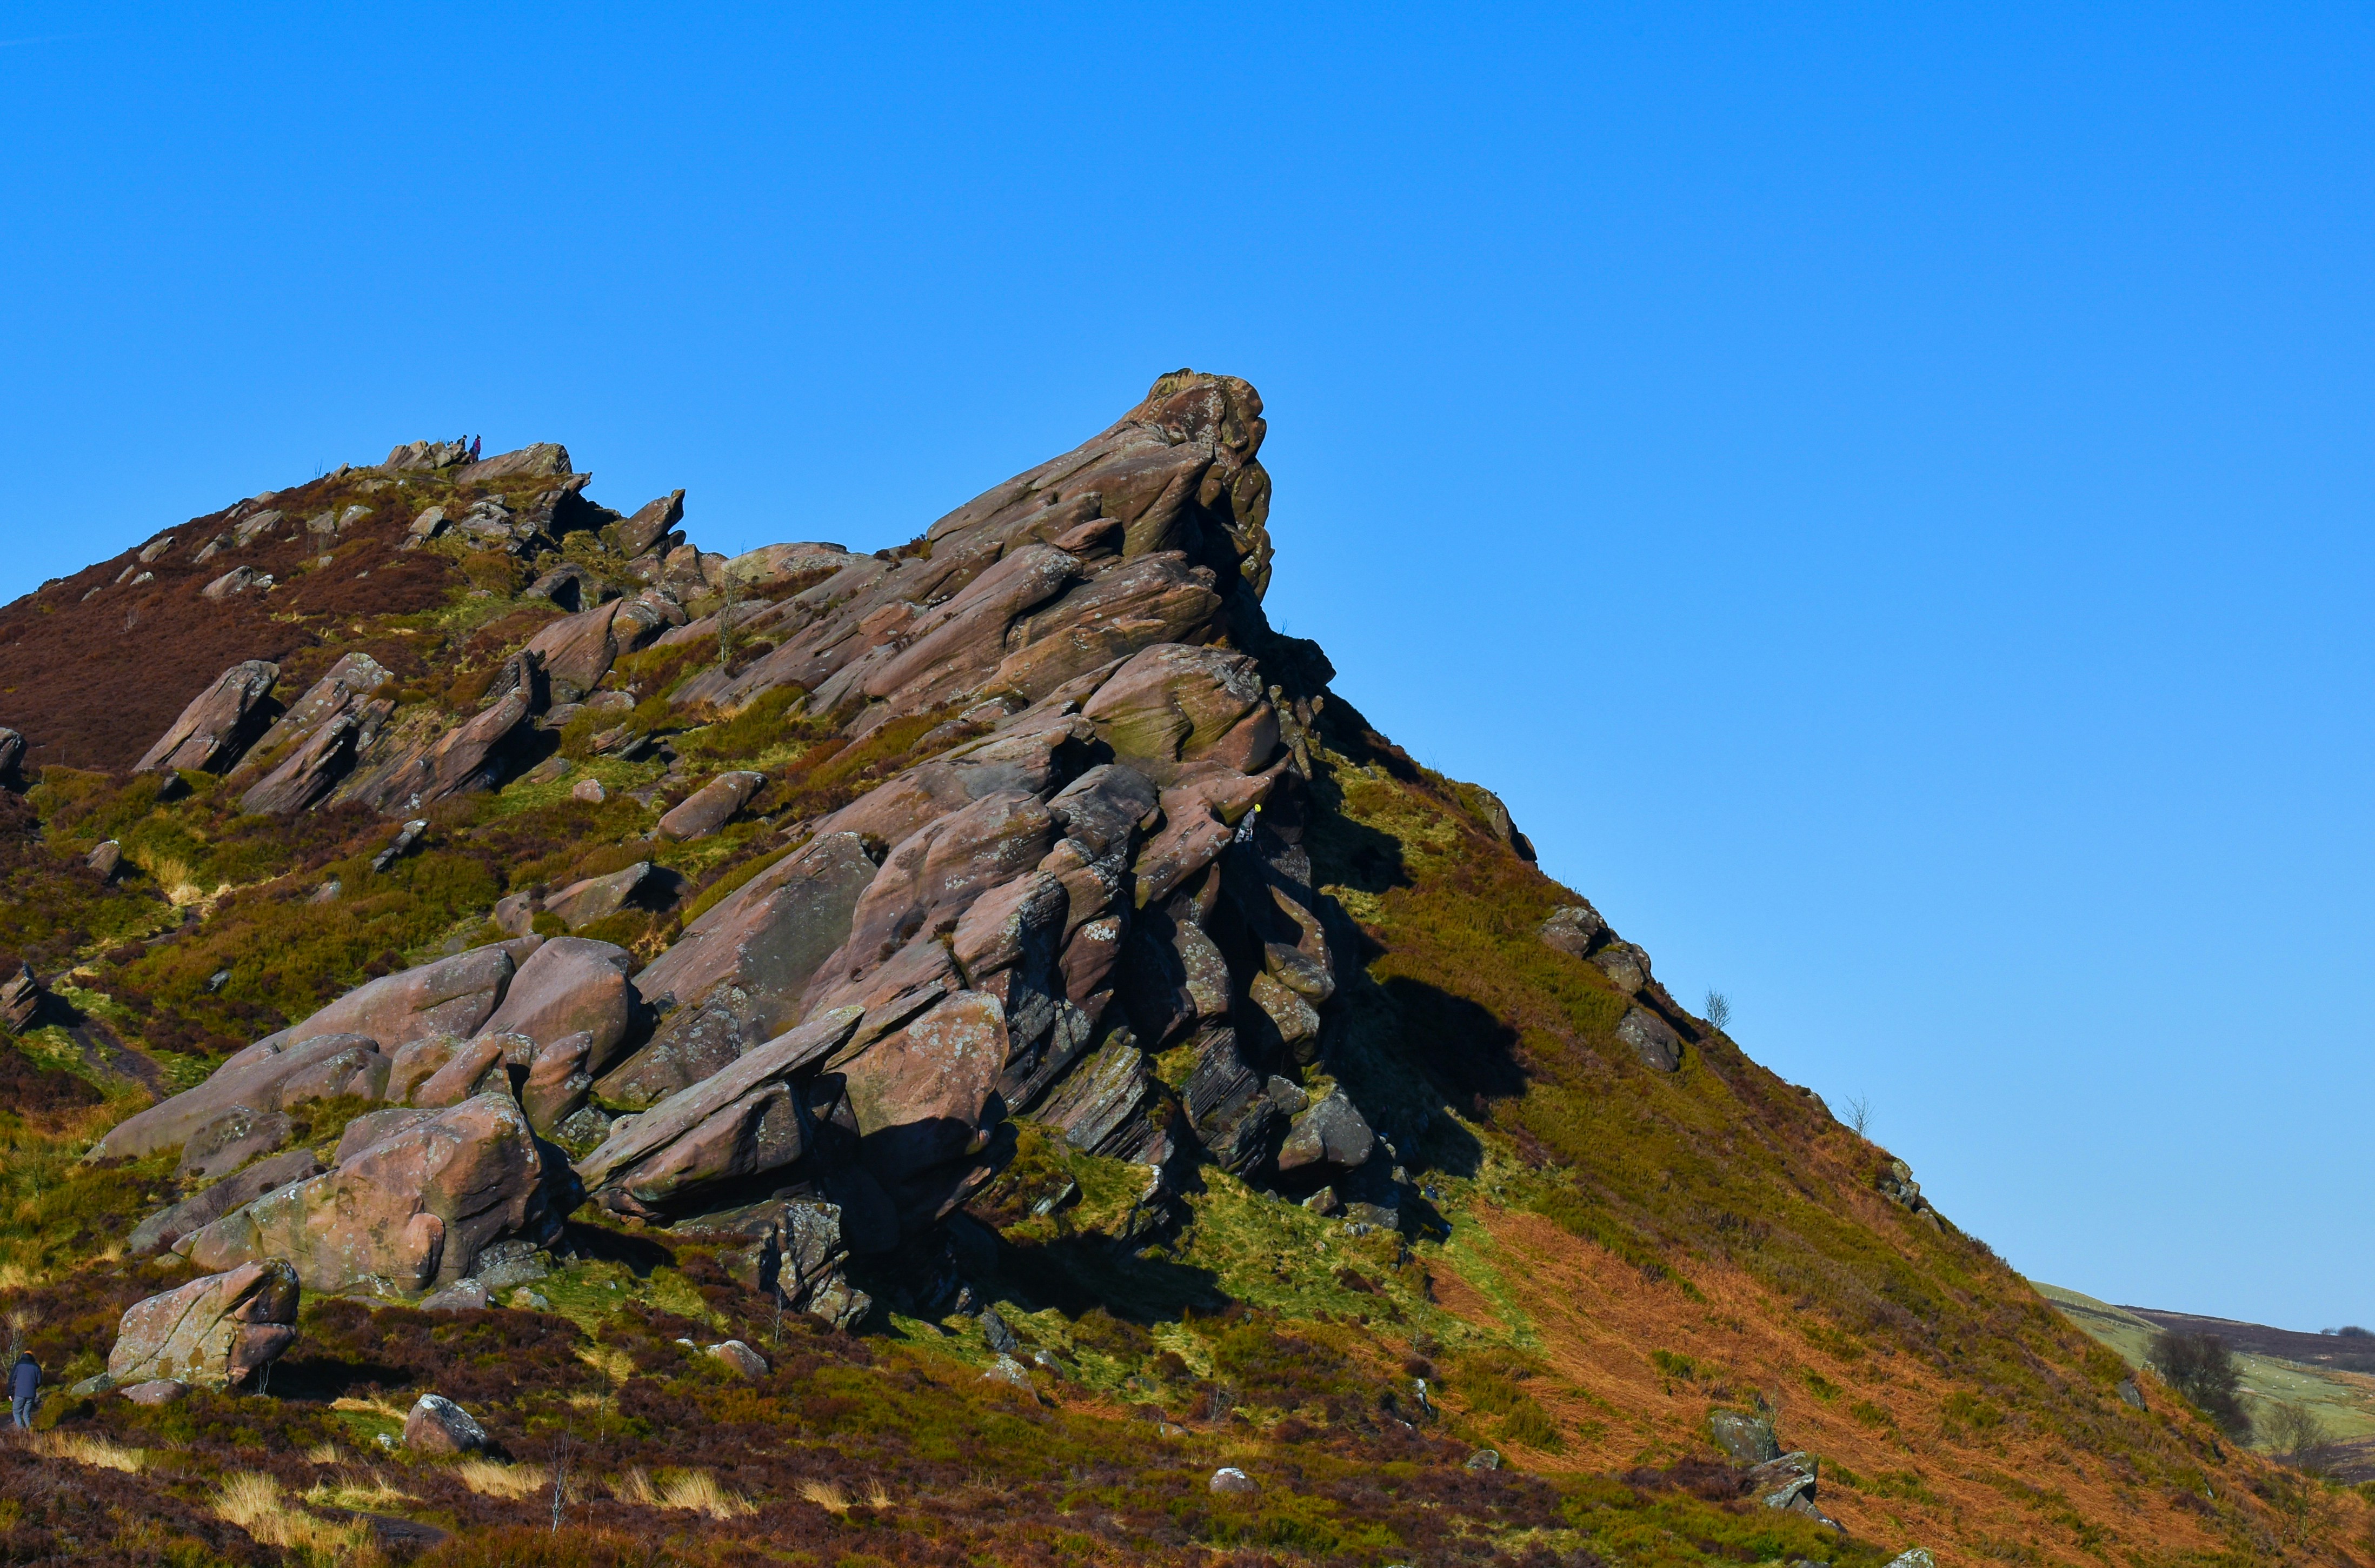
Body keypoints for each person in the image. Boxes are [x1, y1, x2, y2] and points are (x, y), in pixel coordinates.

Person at [10, 1352, 36, 1430]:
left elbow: (12, 1379)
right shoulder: (36, 1366)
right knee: (27, 1414)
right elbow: (39, 1381)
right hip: (31, 1394)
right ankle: (31, 1431)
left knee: (16, 1412)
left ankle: (22, 1431)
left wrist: (10, 1393)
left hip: (19, 1394)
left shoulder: (18, 1365)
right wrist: (33, 1388)